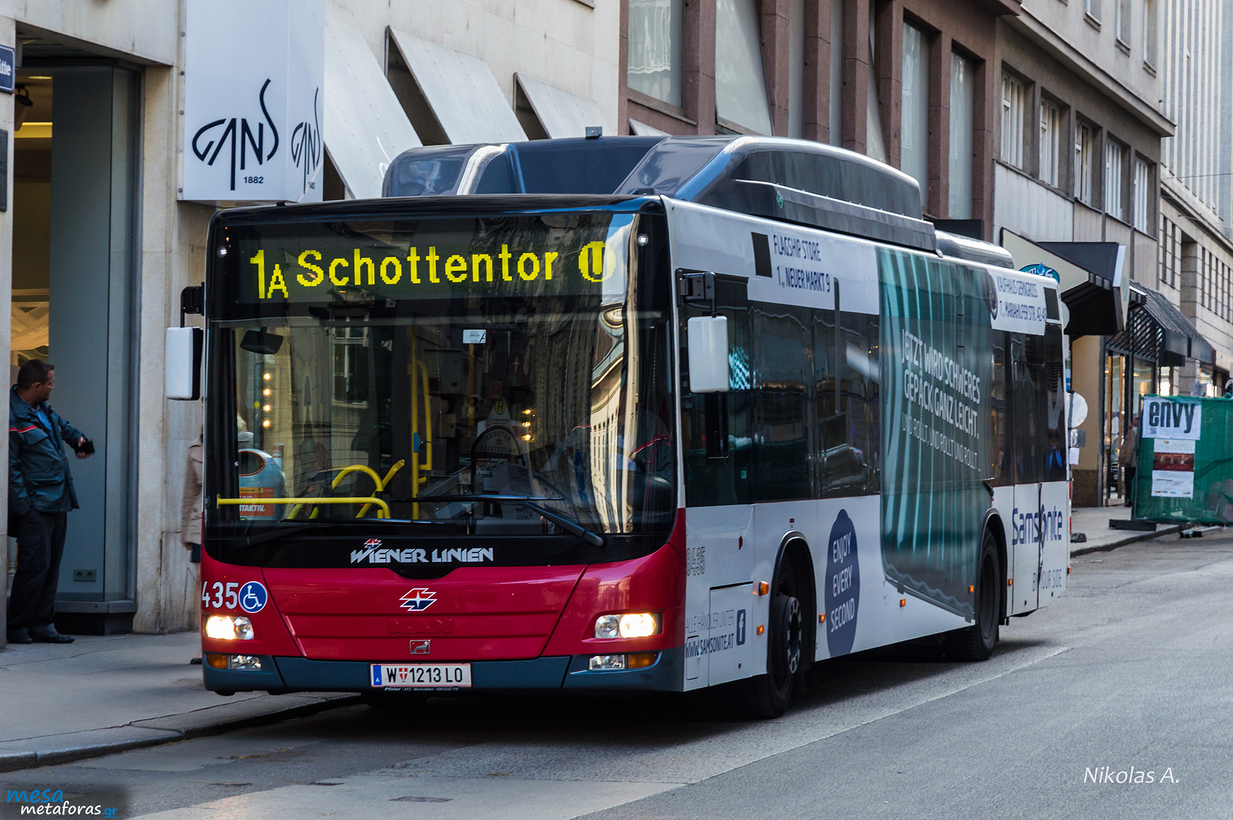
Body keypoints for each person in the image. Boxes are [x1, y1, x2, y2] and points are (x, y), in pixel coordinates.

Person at [7, 360, 92, 644]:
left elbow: (66, 429)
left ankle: (43, 625)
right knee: (33, 567)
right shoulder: (12, 415)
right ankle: (18, 626)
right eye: (50, 383)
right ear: (36, 386)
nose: (54, 386)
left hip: (58, 501)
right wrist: (24, 506)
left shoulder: (43, 409)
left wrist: (82, 442)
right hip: (35, 506)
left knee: (51, 567)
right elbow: (11, 467)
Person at [181, 431, 204, 664]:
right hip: (201, 521)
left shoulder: (243, 438)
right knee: (200, 576)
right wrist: (185, 529)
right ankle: (203, 643)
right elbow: (189, 492)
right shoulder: (195, 447)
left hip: (232, 518)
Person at [1118, 414, 1139, 508]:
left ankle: (1130, 500)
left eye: (1134, 419)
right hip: (1136, 462)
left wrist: (1127, 460)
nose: (1133, 421)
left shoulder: (1133, 432)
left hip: (1131, 463)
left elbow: (1130, 447)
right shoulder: (1140, 431)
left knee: (1129, 482)